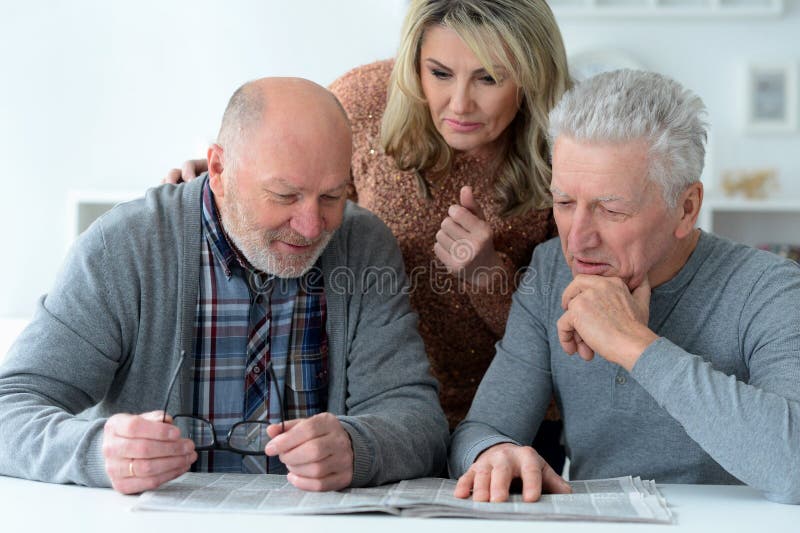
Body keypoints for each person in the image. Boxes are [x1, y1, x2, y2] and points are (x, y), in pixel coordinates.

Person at [165, 0, 572, 469]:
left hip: (510, 423)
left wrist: (488, 279)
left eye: (489, 78)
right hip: (376, 414)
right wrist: (231, 185)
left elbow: (564, 339)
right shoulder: (363, 103)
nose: (460, 103)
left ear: (532, 74)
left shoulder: (563, 143)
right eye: (439, 73)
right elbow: (299, 206)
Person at [0, 78, 449, 494]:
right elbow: (9, 411)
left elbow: (419, 422)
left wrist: (357, 447)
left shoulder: (362, 244)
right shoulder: (125, 246)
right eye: (285, 195)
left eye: (332, 196)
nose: (312, 226)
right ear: (218, 169)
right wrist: (100, 452)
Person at [449, 69, 800, 505]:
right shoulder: (551, 271)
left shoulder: (769, 289)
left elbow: (794, 465)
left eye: (611, 210)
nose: (576, 239)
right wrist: (494, 454)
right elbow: (480, 430)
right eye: (564, 203)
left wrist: (634, 344)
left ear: (686, 208)